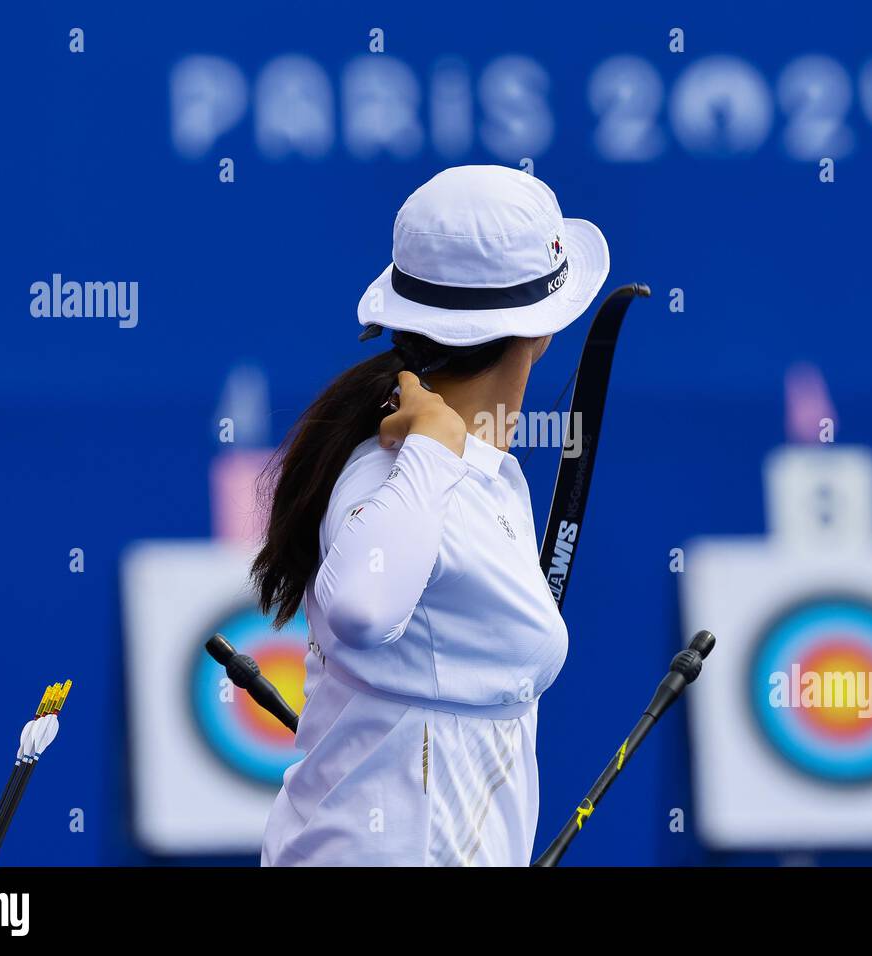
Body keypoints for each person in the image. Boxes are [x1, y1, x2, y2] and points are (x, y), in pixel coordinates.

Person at [253, 165, 609, 866]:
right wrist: (434, 451)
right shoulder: (402, 464)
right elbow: (360, 606)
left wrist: (441, 451)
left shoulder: (463, 464)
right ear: (538, 332)